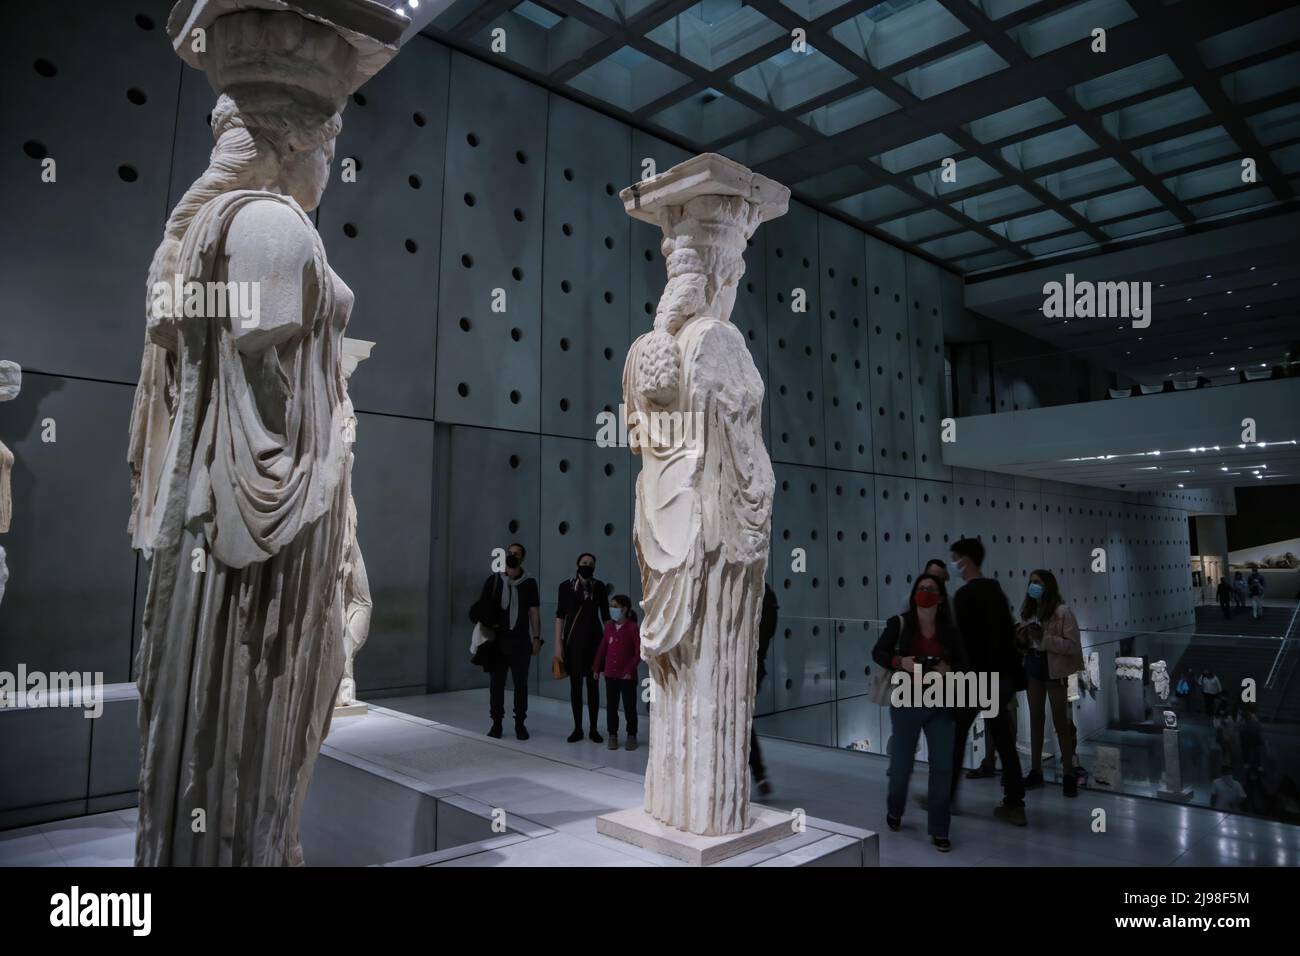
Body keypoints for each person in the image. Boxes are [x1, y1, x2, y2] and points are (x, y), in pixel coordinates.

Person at [872, 574, 966, 852]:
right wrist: (900, 661)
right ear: (915, 594)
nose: (926, 593)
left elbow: (964, 664)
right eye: (922, 588)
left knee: (942, 766)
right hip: (906, 701)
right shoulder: (899, 623)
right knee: (901, 765)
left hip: (941, 702)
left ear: (940, 596)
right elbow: (878, 652)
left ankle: (940, 829)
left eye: (932, 589)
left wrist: (949, 669)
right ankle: (895, 808)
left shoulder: (950, 630)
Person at [948, 537, 1027, 826]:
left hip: (975, 679)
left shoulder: (964, 596)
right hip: (1000, 677)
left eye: (955, 558)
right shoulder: (997, 591)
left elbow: (964, 643)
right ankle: (1015, 804)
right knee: (1004, 741)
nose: (953, 564)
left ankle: (945, 797)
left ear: (965, 561)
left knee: (956, 737)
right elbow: (1007, 635)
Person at [1017, 570, 1084, 797]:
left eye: (1037, 582)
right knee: (1036, 719)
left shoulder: (1062, 612)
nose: (1032, 586)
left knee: (1060, 722)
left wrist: (1043, 640)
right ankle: (1036, 770)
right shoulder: (1028, 610)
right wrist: (1023, 637)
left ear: (1048, 585)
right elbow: (1025, 643)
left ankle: (1068, 773)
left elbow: (1072, 645)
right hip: (1033, 666)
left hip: (1055, 669)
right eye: (1031, 582)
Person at [470, 542, 541, 740]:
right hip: (497, 640)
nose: (512, 556)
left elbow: (534, 612)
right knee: (496, 685)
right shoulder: (493, 580)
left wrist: (536, 638)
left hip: (520, 640)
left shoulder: (529, 583)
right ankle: (496, 724)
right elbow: (481, 609)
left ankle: (520, 724)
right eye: (509, 553)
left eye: (516, 554)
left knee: (521, 685)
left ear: (522, 558)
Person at [554, 552, 610, 743]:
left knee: (593, 687)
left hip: (595, 642)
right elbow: (560, 616)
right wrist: (558, 645)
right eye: (584, 562)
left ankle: (594, 729)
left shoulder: (599, 587)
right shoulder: (565, 586)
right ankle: (577, 728)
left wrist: (611, 641)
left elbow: (605, 616)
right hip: (572, 643)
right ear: (577, 564)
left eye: (591, 563)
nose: (587, 565)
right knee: (575, 687)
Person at [593, 594, 640, 751]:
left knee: (629, 706)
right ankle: (612, 734)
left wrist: (629, 670)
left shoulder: (633, 628)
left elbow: (639, 652)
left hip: (627, 676)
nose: (612, 609)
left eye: (615, 606)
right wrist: (596, 668)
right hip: (610, 674)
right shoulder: (609, 627)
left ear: (625, 609)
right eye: (611, 606)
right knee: (611, 706)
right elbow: (602, 649)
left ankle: (631, 735)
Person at [751, 584, 779, 795]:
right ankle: (759, 775)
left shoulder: (761, 592)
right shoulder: (765, 593)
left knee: (740, 721)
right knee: (742, 722)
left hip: (749, 664)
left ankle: (758, 774)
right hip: (754, 664)